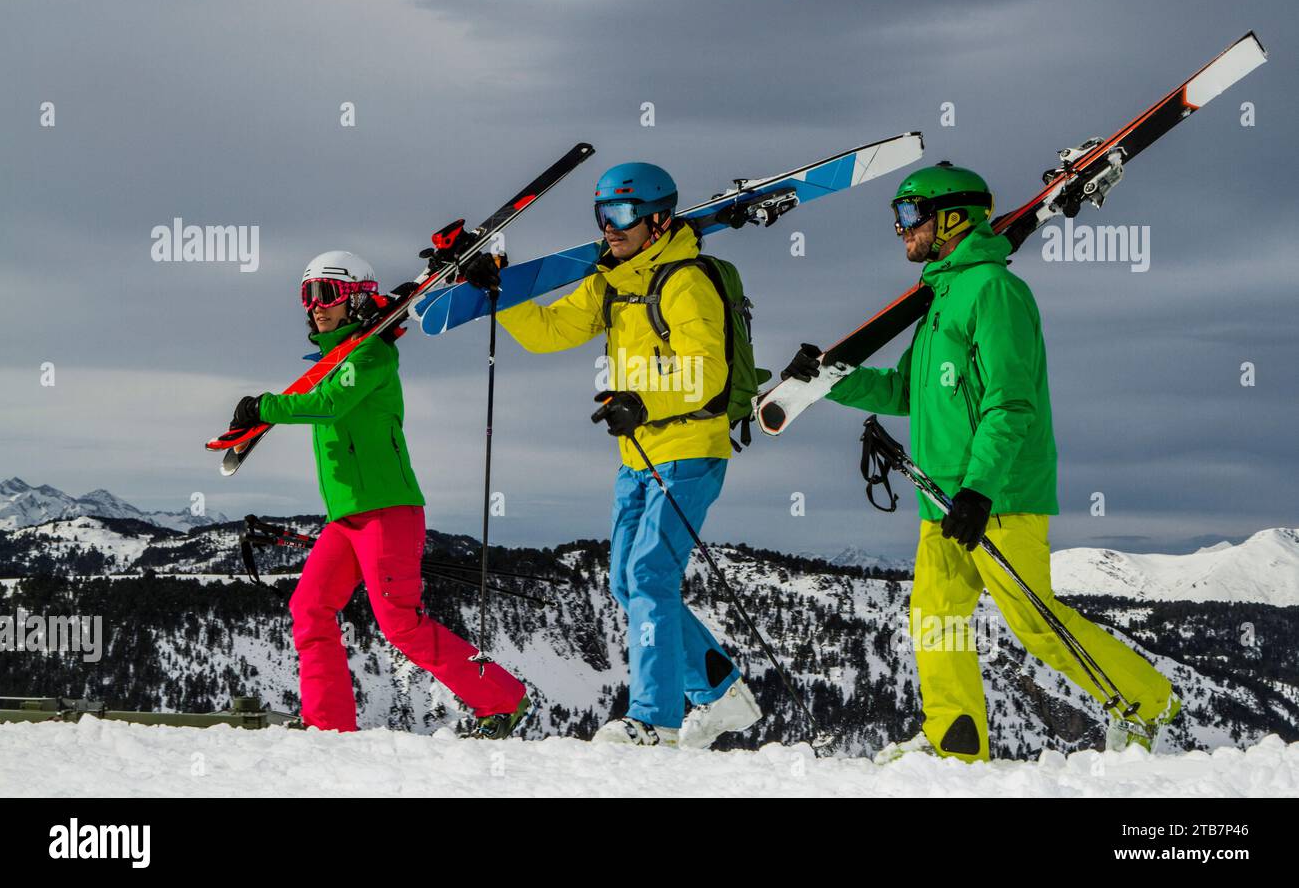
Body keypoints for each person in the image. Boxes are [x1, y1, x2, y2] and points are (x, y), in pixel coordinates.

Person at [781, 163, 1179, 762]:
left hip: (998, 496)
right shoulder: (941, 297)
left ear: (951, 218)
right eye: (897, 214)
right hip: (941, 499)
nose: (900, 228)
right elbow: (902, 392)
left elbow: (1010, 402)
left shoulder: (995, 290)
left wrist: (979, 489)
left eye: (909, 213)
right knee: (935, 620)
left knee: (1034, 621)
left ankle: (1147, 703)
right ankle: (955, 745)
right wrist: (830, 379)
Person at [462, 163, 761, 748]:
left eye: (622, 214)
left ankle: (655, 721)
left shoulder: (684, 281)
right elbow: (549, 331)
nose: (610, 227)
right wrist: (500, 290)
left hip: (691, 449)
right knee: (629, 582)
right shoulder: (612, 282)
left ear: (659, 219)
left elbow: (707, 373)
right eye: (602, 214)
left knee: (650, 573)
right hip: (639, 454)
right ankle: (722, 691)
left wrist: (641, 400)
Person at [227, 250, 531, 739]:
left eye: (325, 293)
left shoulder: (371, 355)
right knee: (310, 607)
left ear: (354, 298)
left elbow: (328, 406)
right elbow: (322, 399)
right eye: (307, 296)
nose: (314, 306)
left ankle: (504, 699)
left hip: (387, 510)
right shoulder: (333, 362)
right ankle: (328, 725)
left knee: (401, 624)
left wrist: (263, 406)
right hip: (346, 517)